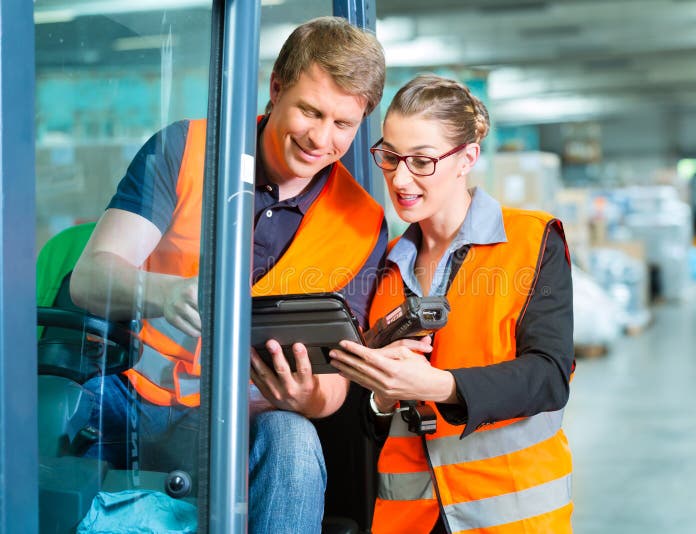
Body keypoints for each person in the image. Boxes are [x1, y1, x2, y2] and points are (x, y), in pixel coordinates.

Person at [69, 16, 387, 533]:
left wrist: (305, 396)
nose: (321, 139)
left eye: (342, 124)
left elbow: (336, 385)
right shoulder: (187, 150)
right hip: (125, 397)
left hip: (233, 420)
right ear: (276, 88)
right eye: (310, 111)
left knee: (293, 438)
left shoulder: (362, 222)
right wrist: (165, 293)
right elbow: (90, 278)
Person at [328, 74, 575, 533]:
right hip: (407, 520)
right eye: (390, 157)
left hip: (509, 516)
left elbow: (548, 377)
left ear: (467, 158)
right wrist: (382, 395)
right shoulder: (382, 267)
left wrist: (438, 384)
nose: (400, 178)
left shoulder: (532, 242)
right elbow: (365, 418)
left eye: (422, 161)